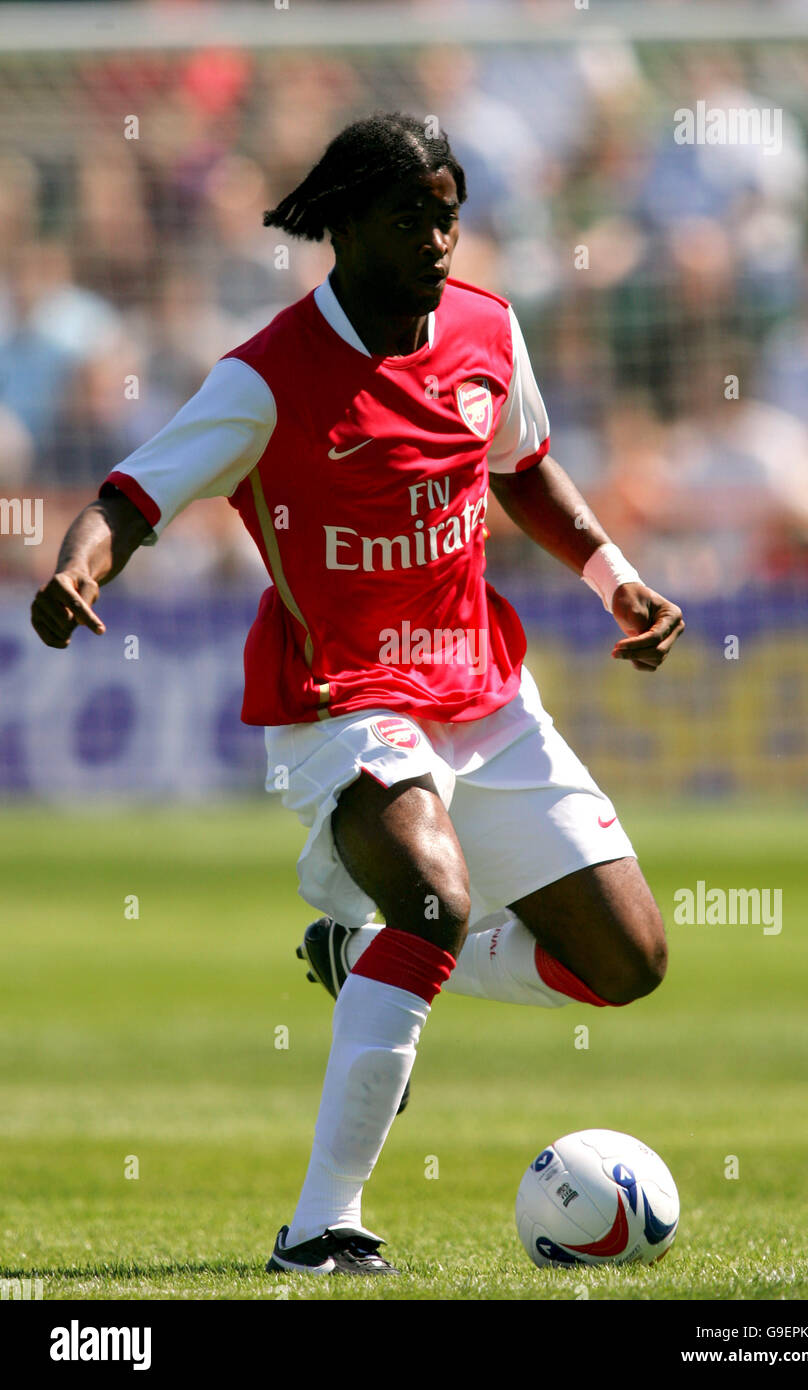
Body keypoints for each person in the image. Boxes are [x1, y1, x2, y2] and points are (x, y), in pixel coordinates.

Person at [31, 112, 684, 1277]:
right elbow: (135, 492)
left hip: (481, 690)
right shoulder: (268, 375)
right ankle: (319, 1226)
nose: (436, 239)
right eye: (408, 217)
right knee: (431, 899)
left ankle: (355, 954)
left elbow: (521, 467)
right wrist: (81, 566)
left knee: (627, 964)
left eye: (446, 212)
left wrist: (614, 579)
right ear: (339, 226)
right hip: (340, 702)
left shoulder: (487, 329)